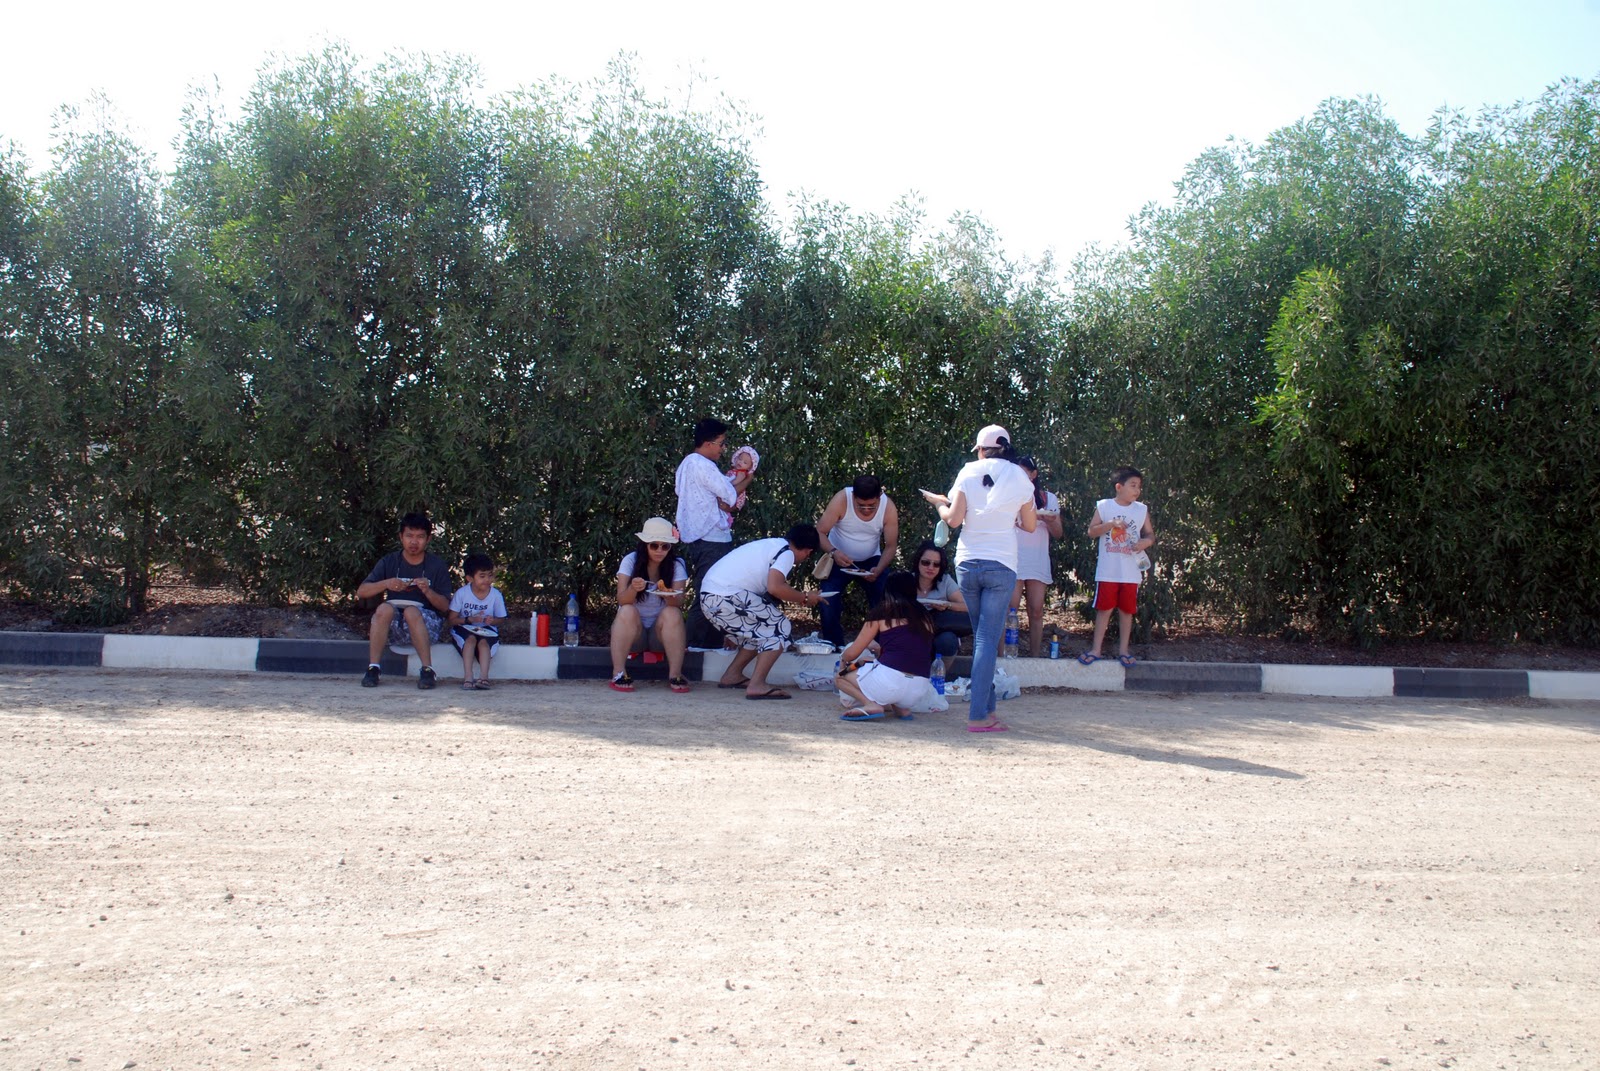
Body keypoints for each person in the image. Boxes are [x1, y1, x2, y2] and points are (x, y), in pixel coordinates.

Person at [921, 425, 1037, 732]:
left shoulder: (968, 471)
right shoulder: (1020, 478)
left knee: (981, 637)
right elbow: (1029, 525)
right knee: (986, 639)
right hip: (1001, 564)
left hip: (968, 563)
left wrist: (939, 504)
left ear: (981, 450)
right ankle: (977, 715)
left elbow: (954, 520)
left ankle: (988, 707)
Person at [702, 524, 824, 700]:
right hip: (726, 596)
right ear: (808, 551)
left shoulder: (773, 545)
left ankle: (732, 675)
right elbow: (775, 587)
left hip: (711, 599)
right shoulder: (786, 553)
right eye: (808, 554)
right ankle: (757, 685)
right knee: (780, 626)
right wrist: (805, 598)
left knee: (761, 631)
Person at [675, 418, 755, 650]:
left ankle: (707, 645)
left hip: (700, 537)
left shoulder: (686, 464)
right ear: (708, 443)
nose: (723, 449)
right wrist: (747, 479)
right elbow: (729, 495)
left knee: (710, 593)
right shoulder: (702, 464)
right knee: (710, 595)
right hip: (711, 538)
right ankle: (692, 646)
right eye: (721, 443)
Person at [356, 512, 453, 689]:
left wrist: (428, 591)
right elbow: (362, 592)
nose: (414, 542)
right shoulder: (389, 561)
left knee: (411, 611)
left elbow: (446, 606)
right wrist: (386, 583)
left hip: (425, 625)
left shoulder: (435, 565)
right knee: (383, 609)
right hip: (394, 626)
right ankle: (373, 668)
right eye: (409, 536)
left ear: (428, 539)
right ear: (401, 537)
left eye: (420, 537)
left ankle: (427, 670)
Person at [1081, 467, 1156, 668]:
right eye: (1133, 485)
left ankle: (1124, 650)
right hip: (1108, 569)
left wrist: (1144, 543)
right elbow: (1091, 531)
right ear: (1118, 487)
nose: (1137, 490)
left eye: (1139, 487)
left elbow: (1150, 535)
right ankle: (1096, 649)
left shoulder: (1141, 509)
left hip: (1131, 571)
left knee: (1127, 610)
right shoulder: (1104, 506)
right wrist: (1111, 524)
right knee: (1104, 609)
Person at [834, 571, 933, 721]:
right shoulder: (925, 616)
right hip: (918, 689)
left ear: (887, 590)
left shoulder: (882, 612)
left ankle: (870, 704)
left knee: (840, 678)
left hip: (889, 683)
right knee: (891, 676)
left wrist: (843, 661)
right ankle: (902, 709)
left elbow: (852, 653)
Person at [607, 517, 691, 694]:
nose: (659, 550)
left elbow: (679, 602)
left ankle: (675, 674)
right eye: (654, 545)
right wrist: (633, 589)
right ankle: (618, 673)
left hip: (659, 634)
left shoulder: (676, 565)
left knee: (672, 612)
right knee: (627, 610)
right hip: (634, 633)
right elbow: (621, 599)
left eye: (665, 546)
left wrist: (667, 595)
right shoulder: (630, 561)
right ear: (645, 545)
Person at [815, 475, 899, 648]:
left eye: (871, 506)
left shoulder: (888, 506)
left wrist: (879, 568)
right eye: (861, 505)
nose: (866, 510)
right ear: (853, 496)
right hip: (838, 557)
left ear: (879, 497)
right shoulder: (841, 499)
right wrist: (834, 552)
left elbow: (891, 546)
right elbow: (819, 532)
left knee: (885, 597)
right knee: (828, 598)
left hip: (872, 560)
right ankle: (834, 646)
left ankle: (879, 647)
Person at [1010, 456, 1065, 656]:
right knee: (1010, 610)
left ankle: (1035, 656)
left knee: (1036, 610)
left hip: (1037, 559)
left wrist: (1049, 520)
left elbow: (1058, 533)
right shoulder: (1006, 496)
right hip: (1012, 559)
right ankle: (1005, 656)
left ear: (1034, 475)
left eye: (1026, 472)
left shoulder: (1048, 498)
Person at [448, 553, 507, 690]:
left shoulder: (495, 595)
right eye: (482, 576)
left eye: (490, 575)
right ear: (470, 578)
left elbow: (501, 619)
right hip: (464, 628)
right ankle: (468, 677)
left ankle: (484, 678)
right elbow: (451, 620)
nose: (487, 579)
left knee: (484, 643)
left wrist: (492, 621)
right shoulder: (462, 594)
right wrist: (469, 619)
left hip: (487, 629)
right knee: (470, 640)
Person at [910, 539, 970, 658]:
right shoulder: (907, 580)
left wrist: (947, 605)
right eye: (926, 562)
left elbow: (967, 606)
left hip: (939, 629)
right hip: (912, 627)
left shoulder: (945, 581)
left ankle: (940, 675)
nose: (931, 567)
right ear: (918, 562)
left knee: (948, 641)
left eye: (936, 564)